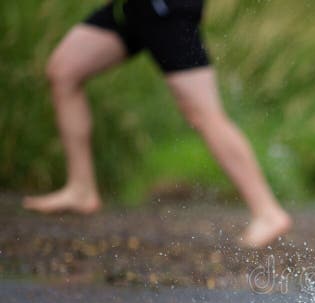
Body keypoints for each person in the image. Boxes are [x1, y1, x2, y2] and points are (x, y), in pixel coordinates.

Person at [22, 0, 292, 248]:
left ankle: (267, 212)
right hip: (132, 8)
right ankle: (81, 188)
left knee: (203, 113)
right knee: (65, 70)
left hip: (164, 7)